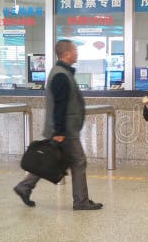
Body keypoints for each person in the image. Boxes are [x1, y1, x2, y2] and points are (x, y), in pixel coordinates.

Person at [13, 39, 102, 210]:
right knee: (78, 161)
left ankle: (24, 187)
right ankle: (81, 201)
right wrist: (60, 131)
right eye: (74, 50)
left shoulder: (62, 72)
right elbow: (60, 105)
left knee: (50, 160)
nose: (77, 53)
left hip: (65, 128)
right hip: (65, 129)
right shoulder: (61, 74)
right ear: (66, 53)